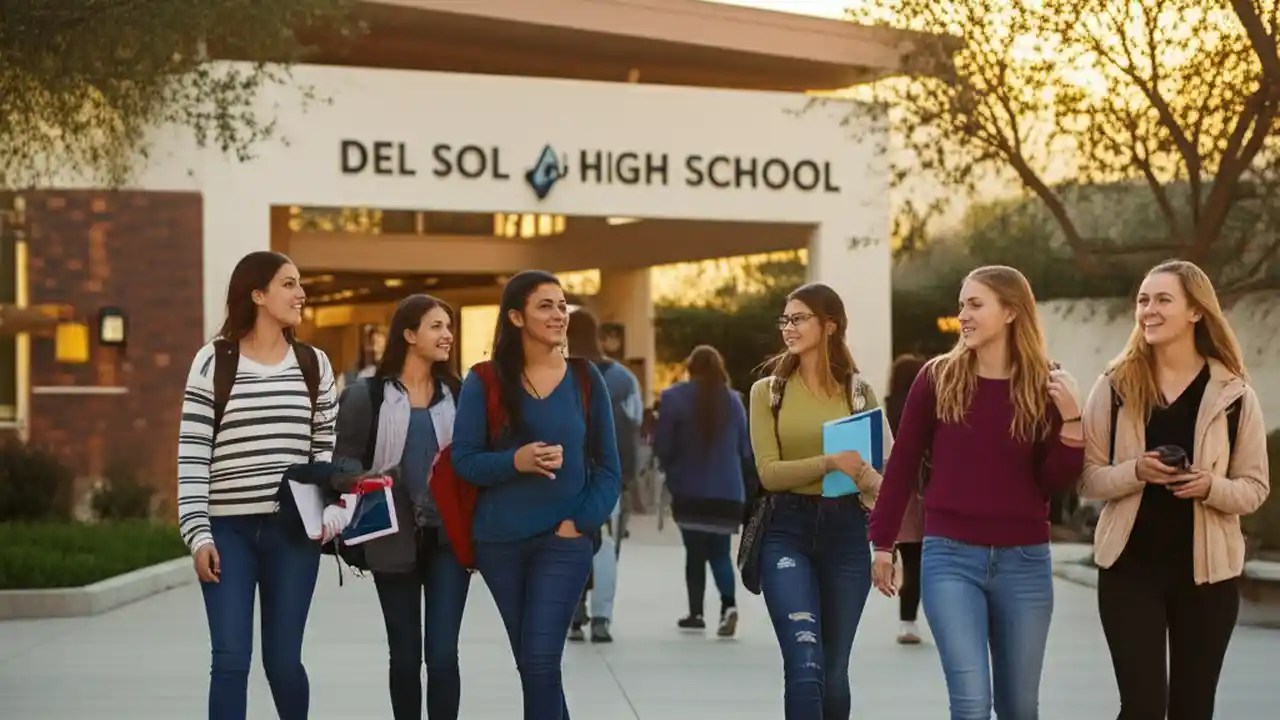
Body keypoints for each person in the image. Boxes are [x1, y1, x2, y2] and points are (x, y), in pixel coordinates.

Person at [868, 265, 1085, 720]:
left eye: (975, 304)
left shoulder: (1045, 385)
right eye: (961, 304)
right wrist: (883, 542)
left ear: (1010, 312)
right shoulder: (937, 378)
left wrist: (1071, 422)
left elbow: (1053, 483)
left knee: (1020, 707)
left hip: (1025, 563)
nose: (962, 315)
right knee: (970, 703)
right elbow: (903, 463)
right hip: (950, 559)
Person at [1078, 260, 1270, 720]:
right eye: (1143, 300)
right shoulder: (1115, 386)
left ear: (1196, 312)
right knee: (1142, 707)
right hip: (1129, 572)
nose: (1149, 310)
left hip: (1207, 578)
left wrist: (1210, 486)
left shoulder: (1234, 393)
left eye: (1163, 299)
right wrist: (1136, 472)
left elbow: (1255, 487)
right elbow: (1087, 479)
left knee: (1192, 708)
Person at [450, 270, 621, 720]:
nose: (558, 314)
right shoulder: (483, 380)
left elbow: (608, 470)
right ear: (515, 317)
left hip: (563, 542)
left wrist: (577, 524)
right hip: (499, 544)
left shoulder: (587, 380)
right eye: (545, 305)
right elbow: (464, 460)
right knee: (533, 665)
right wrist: (515, 461)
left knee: (542, 659)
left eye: (562, 305)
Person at [177, 251, 337, 720]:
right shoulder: (212, 362)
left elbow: (322, 453)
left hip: (292, 535)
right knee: (229, 661)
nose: (300, 293)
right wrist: (197, 533)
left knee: (284, 663)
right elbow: (192, 454)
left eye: (299, 283)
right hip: (228, 532)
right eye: (289, 284)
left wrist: (324, 515)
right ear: (258, 294)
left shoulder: (314, 365)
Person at [747, 282, 889, 720]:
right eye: (785, 319)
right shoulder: (768, 392)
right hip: (785, 531)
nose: (788, 327)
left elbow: (886, 483)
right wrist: (829, 462)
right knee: (804, 664)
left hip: (846, 532)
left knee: (833, 671)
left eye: (799, 318)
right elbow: (769, 473)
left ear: (830, 326)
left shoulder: (859, 394)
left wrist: (859, 472)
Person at [331, 294, 471, 720]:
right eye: (436, 326)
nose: (447, 335)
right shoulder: (366, 396)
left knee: (443, 655)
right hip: (392, 540)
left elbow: (476, 459)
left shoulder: (459, 395)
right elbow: (340, 462)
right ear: (409, 335)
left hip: (449, 540)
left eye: (449, 326)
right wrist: (367, 481)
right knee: (406, 656)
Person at [654, 345, 751, 637]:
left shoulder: (673, 398)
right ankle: (729, 605)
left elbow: (663, 446)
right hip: (727, 491)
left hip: (689, 489)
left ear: (690, 368)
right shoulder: (734, 401)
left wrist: (668, 469)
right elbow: (745, 449)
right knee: (720, 552)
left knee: (694, 551)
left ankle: (696, 613)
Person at [564, 308, 643, 644]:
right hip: (607, 476)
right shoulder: (623, 379)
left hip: (566, 478)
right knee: (605, 546)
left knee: (569, 544)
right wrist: (628, 475)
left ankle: (574, 610)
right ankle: (601, 618)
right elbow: (634, 426)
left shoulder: (559, 375)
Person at [885, 353, 929, 645]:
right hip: (931, 490)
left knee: (911, 561)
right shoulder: (930, 405)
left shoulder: (889, 410)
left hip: (903, 494)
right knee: (937, 563)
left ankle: (907, 622)